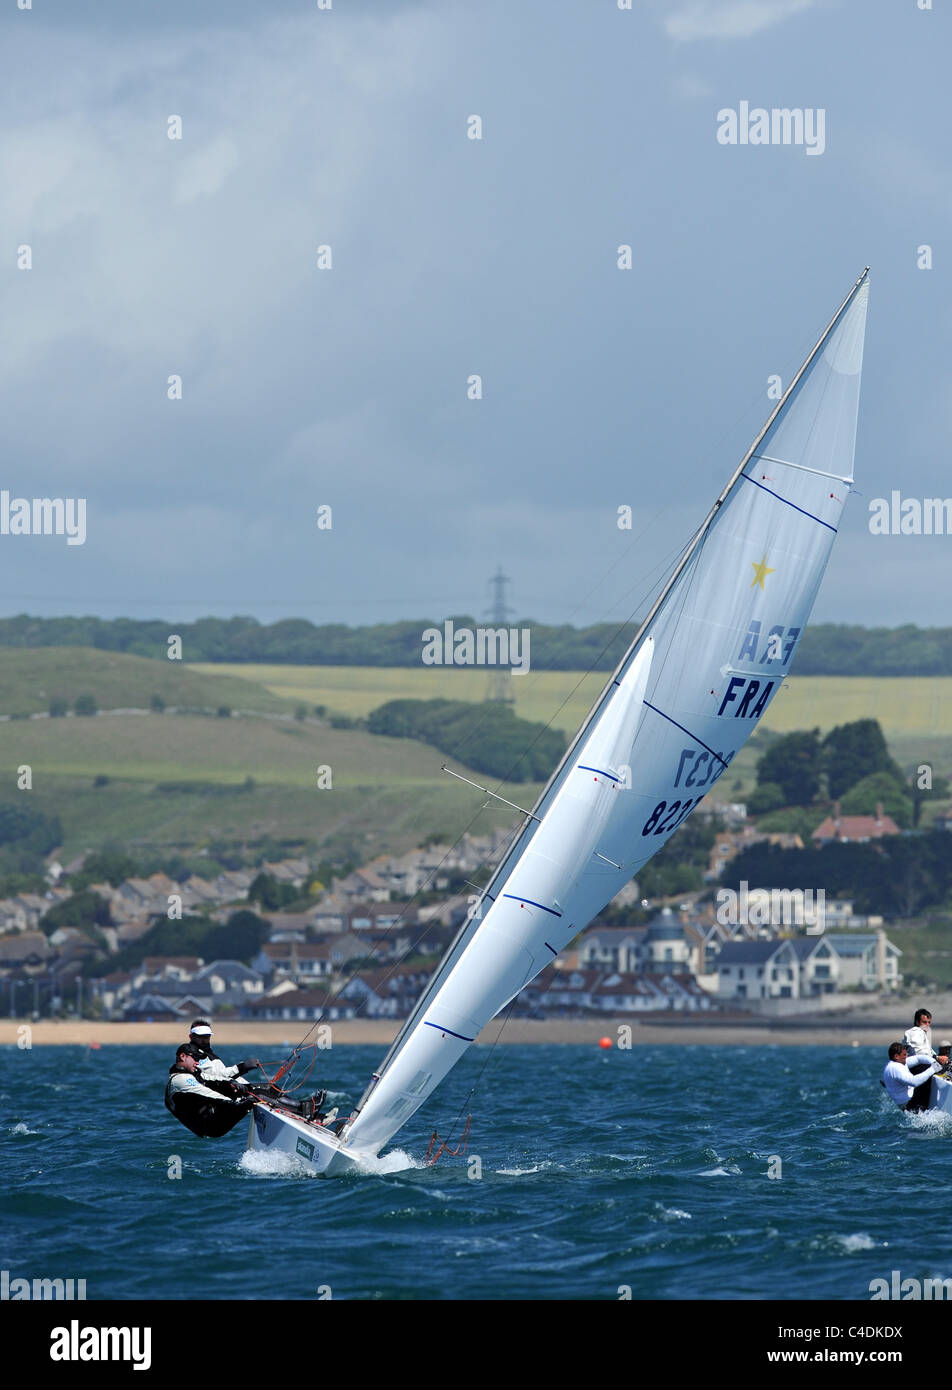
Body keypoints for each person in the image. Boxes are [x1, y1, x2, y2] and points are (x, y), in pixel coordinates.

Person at [176, 1022, 327, 1121]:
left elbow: (220, 1073)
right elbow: (215, 1076)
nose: (205, 1040)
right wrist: (242, 1067)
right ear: (191, 1037)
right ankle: (306, 1110)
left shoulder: (207, 1051)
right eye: (201, 1037)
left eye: (207, 1037)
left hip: (229, 1085)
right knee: (260, 1095)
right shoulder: (194, 1053)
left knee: (269, 1088)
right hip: (221, 1093)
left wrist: (242, 1079)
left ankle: (306, 1110)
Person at [165, 1050, 257, 1138]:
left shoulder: (192, 1074)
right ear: (183, 1056)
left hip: (211, 1116)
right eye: (195, 1058)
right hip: (210, 1127)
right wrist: (241, 1103)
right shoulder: (179, 1079)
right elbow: (208, 1094)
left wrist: (232, 1082)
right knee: (254, 1097)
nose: (197, 1063)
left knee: (252, 1090)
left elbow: (214, 1078)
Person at [882, 1042, 942, 1111]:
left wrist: (934, 1062)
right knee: (925, 1073)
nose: (906, 1056)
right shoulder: (895, 1068)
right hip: (907, 1105)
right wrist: (933, 1069)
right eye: (904, 1054)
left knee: (923, 1066)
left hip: (909, 1099)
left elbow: (918, 1059)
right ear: (896, 1056)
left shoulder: (898, 1061)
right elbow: (914, 1082)